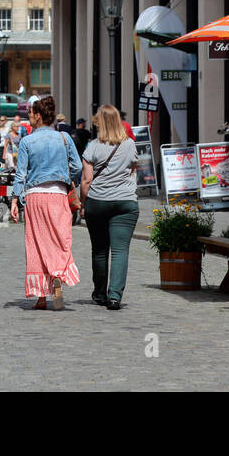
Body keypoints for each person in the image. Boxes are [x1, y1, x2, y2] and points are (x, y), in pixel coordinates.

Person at [10, 95, 82, 310]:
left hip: (35, 197)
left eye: (31, 115)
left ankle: (41, 297)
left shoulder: (27, 141)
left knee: (36, 245)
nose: (29, 118)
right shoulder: (64, 138)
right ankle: (58, 274)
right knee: (60, 240)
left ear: (38, 116)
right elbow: (77, 167)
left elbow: (21, 174)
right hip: (58, 195)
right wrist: (67, 178)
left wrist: (15, 200)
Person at [80, 104, 140, 310]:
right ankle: (114, 296)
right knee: (120, 250)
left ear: (99, 123)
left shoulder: (93, 147)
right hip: (125, 203)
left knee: (99, 250)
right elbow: (133, 168)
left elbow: (86, 180)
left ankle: (99, 293)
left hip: (97, 202)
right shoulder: (130, 144)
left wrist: (82, 204)